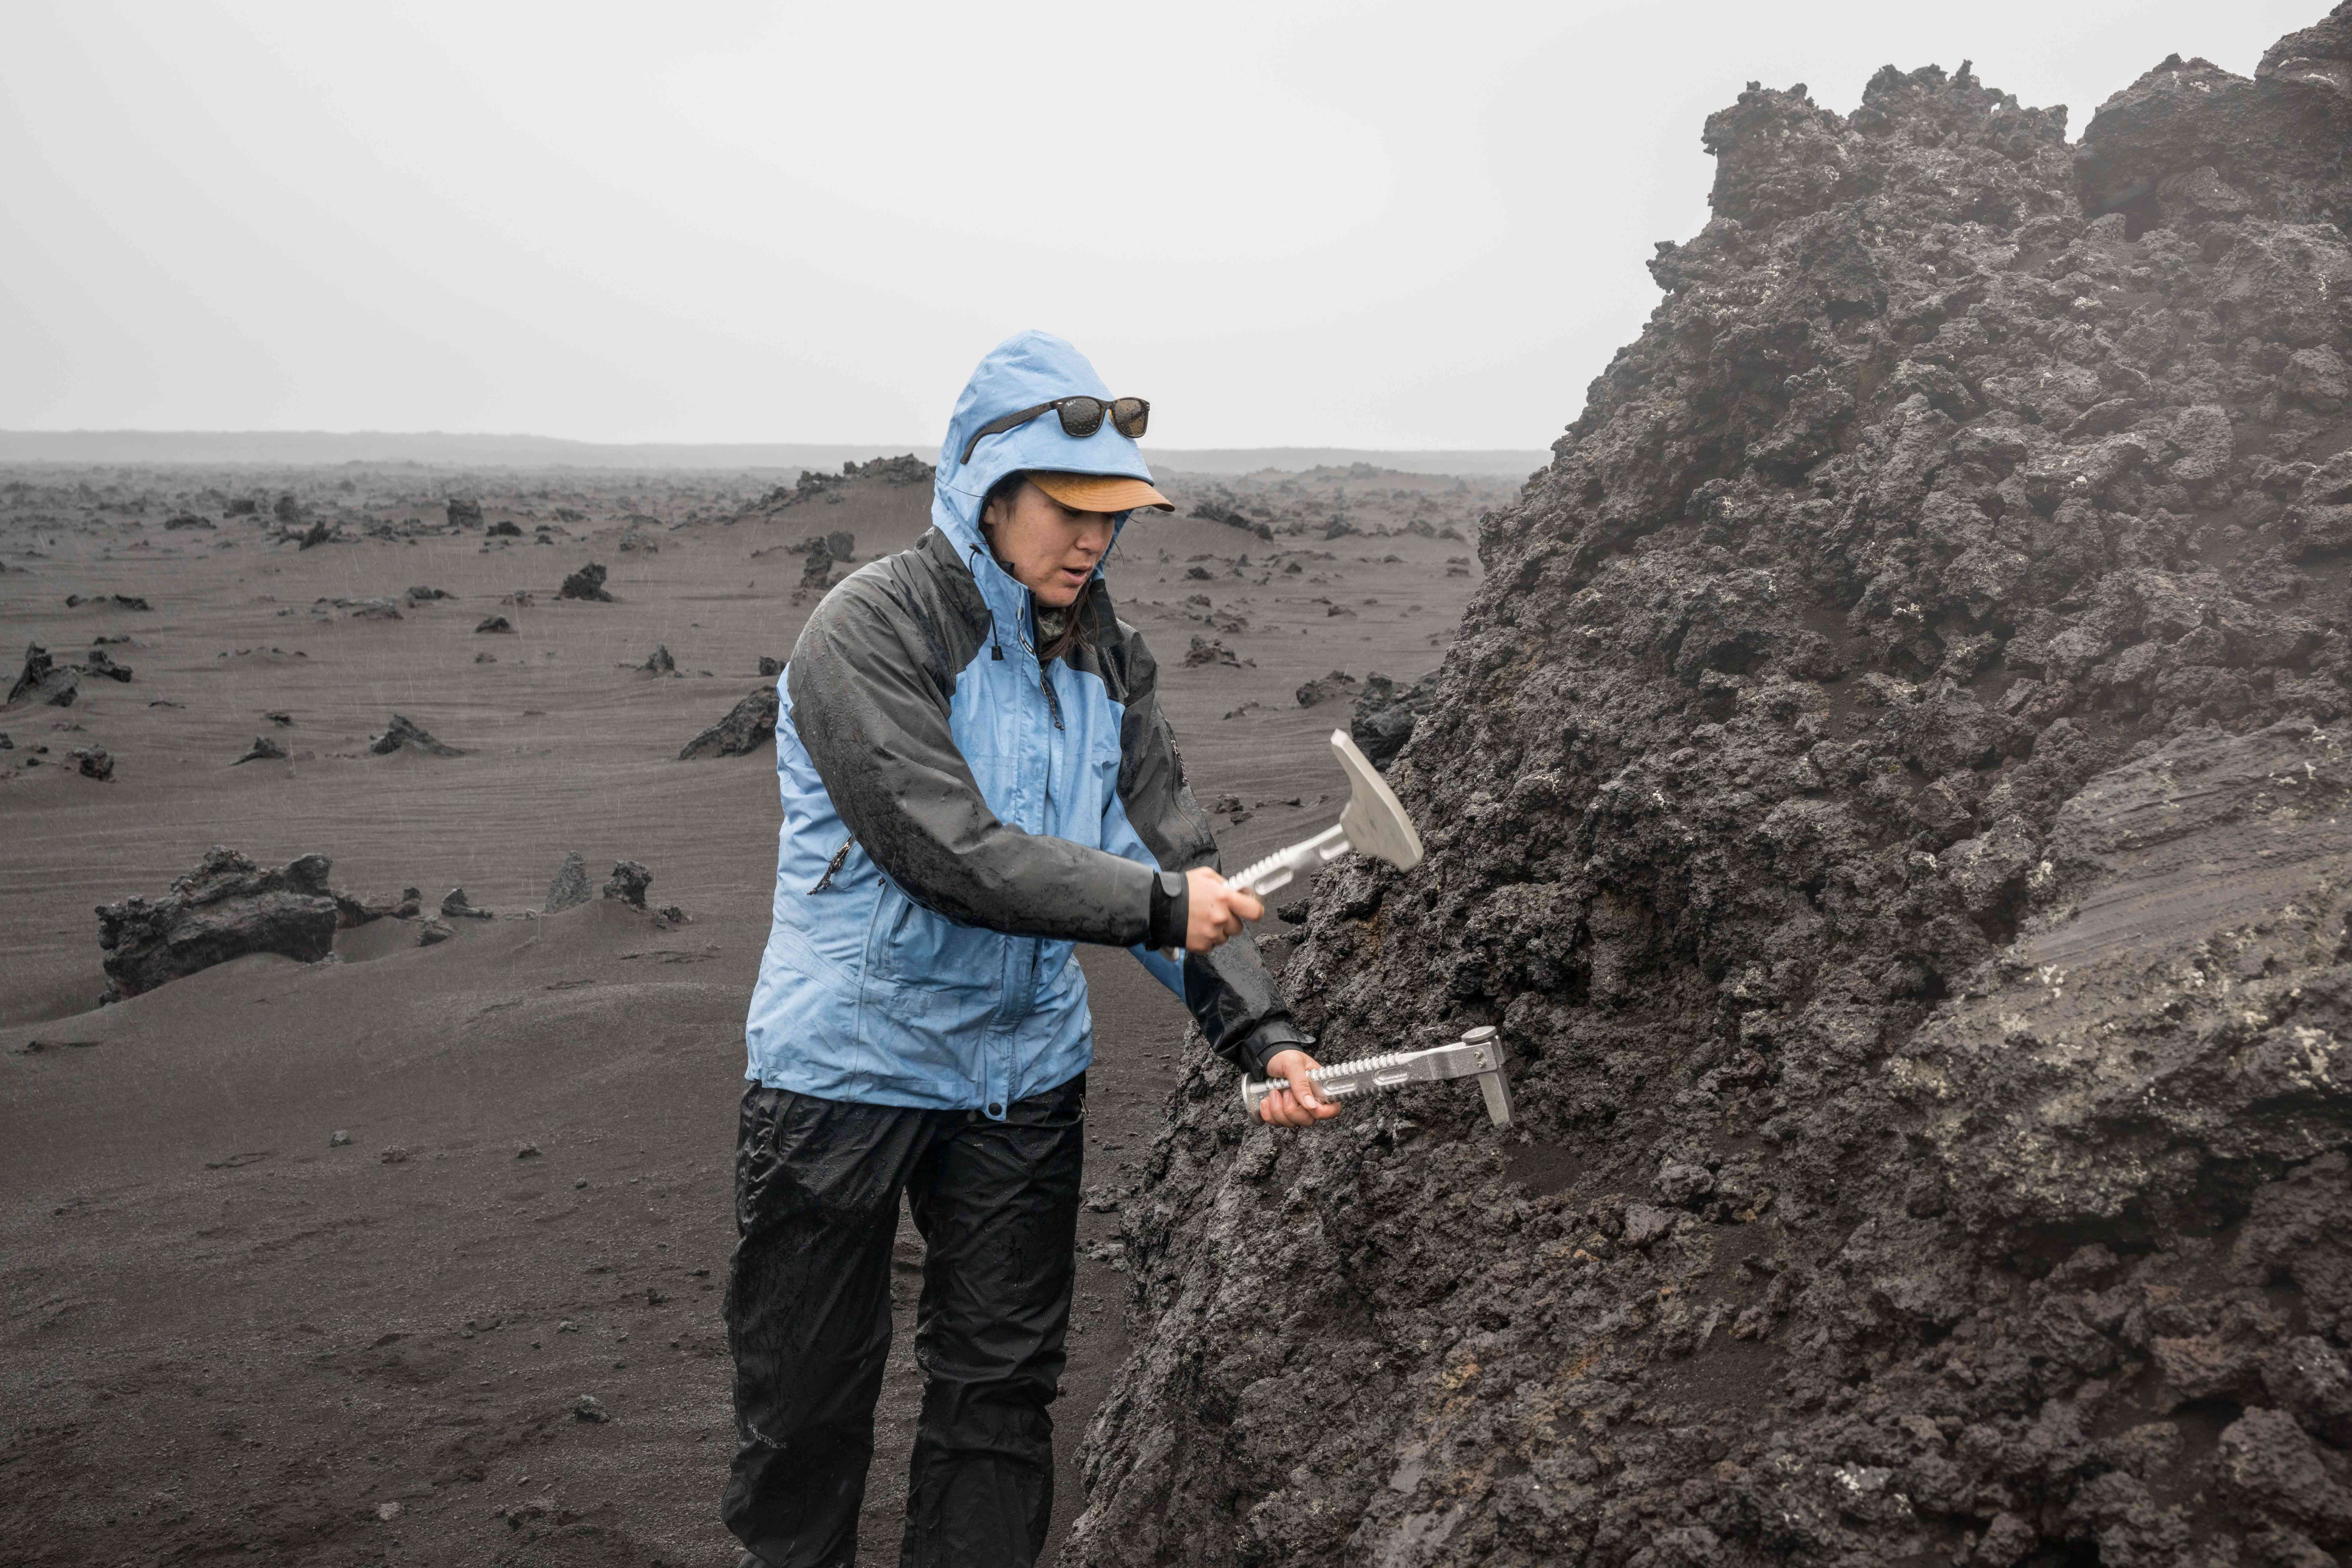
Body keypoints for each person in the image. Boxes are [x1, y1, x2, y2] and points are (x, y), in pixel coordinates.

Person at [724, 329, 1337, 1568]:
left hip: (1019, 1081)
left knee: (998, 1401)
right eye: (1069, 508)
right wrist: (1161, 907)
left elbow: (1169, 856)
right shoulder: (870, 631)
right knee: (805, 1410)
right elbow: (947, 851)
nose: (1095, 538)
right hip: (843, 1072)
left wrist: (1260, 1033)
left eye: (1114, 514)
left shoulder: (1108, 653)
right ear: (986, 491)